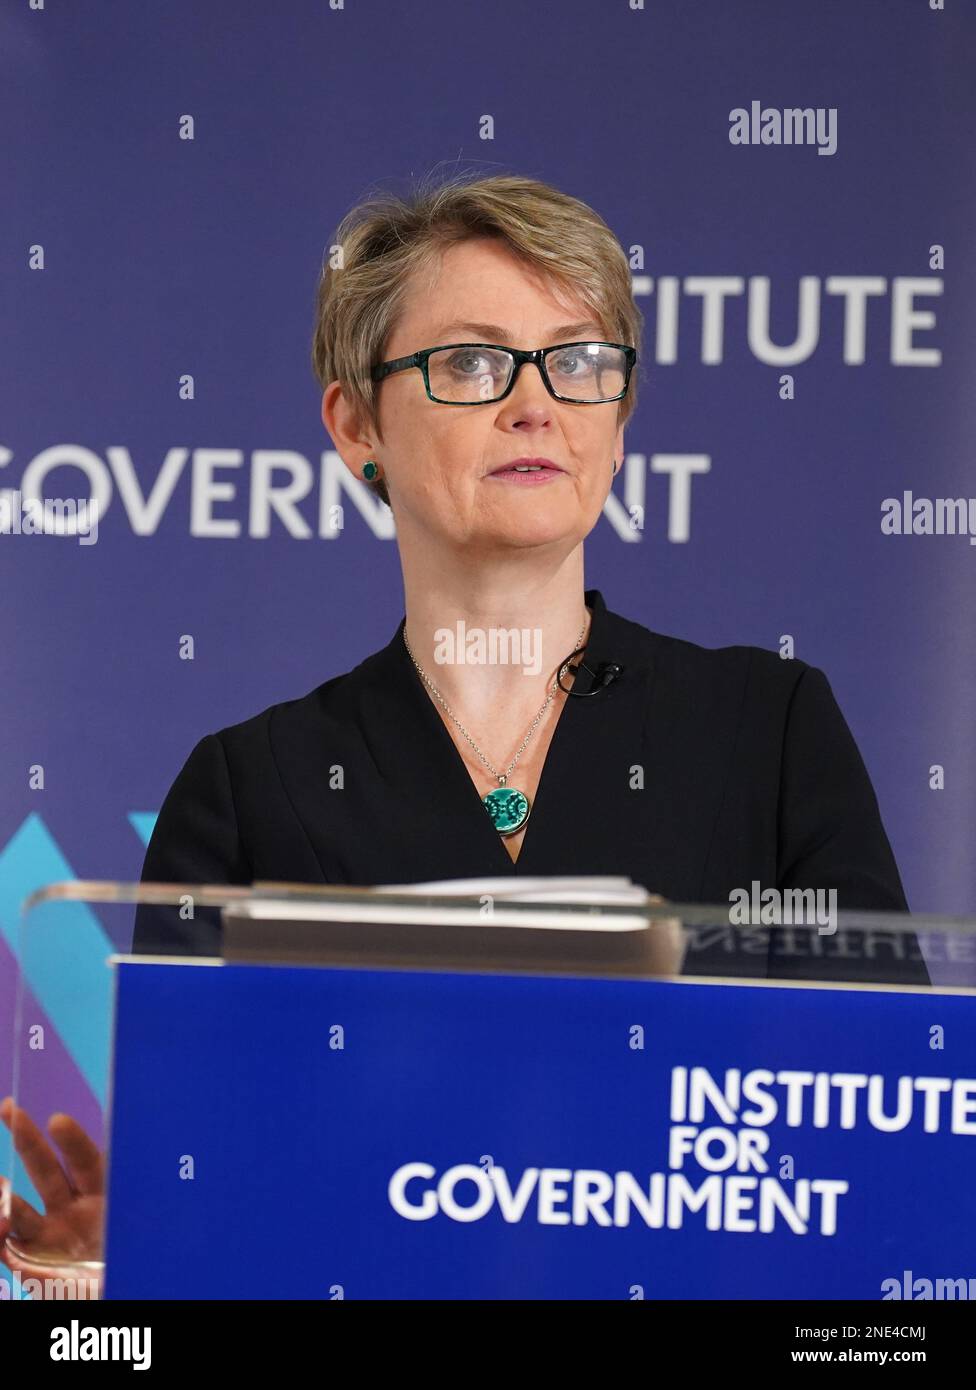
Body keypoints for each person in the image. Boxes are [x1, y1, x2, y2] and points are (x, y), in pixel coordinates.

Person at [133, 171, 918, 983]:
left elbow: (867, 1084)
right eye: (472, 361)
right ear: (358, 425)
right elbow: (200, 1090)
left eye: (577, 360)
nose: (535, 403)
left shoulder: (770, 733)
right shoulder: (249, 789)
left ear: (618, 429)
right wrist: (155, 1118)